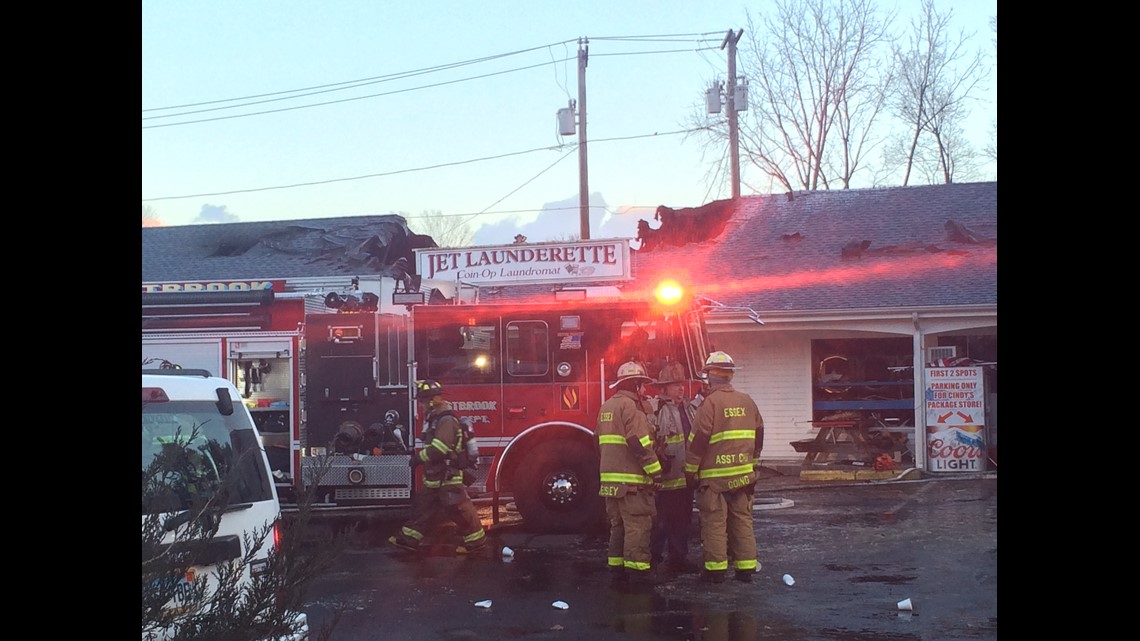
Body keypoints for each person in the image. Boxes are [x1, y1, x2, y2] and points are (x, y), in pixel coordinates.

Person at [684, 351, 764, 584]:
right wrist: (752, 465)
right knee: (742, 521)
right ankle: (746, 568)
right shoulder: (747, 401)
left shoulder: (710, 404)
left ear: (710, 377)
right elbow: (759, 434)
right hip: (743, 476)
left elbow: (698, 440)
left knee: (715, 523)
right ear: (729, 376)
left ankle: (715, 570)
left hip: (715, 480)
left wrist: (690, 471)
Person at [388, 379, 488, 555]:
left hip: (448, 475)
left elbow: (439, 449)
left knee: (459, 510)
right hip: (435, 476)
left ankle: (476, 543)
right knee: (424, 509)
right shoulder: (435, 419)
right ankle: (408, 540)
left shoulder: (446, 420)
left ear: (431, 401)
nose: (420, 406)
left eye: (422, 402)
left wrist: (419, 458)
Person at [597, 361, 663, 588]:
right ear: (634, 385)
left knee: (618, 527)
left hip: (611, 482)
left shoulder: (606, 406)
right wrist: (656, 472)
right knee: (637, 527)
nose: (645, 391)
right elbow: (640, 444)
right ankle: (638, 575)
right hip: (632, 483)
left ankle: (616, 569)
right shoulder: (631, 408)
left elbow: (598, 442)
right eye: (642, 386)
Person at [648, 361, 700, 574]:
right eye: (674, 384)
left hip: (686, 477)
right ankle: (652, 560)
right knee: (660, 522)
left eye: (681, 384)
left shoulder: (690, 409)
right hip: (665, 479)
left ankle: (679, 558)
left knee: (683, 520)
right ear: (664, 388)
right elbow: (647, 440)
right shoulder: (656, 409)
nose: (681, 388)